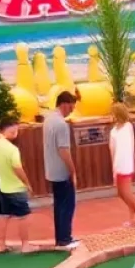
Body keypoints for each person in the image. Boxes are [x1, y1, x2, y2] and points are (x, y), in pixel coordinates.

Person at [0, 120, 35, 254]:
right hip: (16, 188)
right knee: (23, 216)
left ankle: (1, 245)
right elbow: (17, 168)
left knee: (3, 215)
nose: (15, 133)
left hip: (3, 186)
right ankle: (25, 245)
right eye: (13, 131)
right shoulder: (12, 149)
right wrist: (27, 183)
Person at [43, 91, 79, 249]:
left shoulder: (48, 119)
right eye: (71, 107)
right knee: (67, 206)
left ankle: (60, 239)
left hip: (51, 170)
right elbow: (64, 150)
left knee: (59, 206)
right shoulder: (61, 124)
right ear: (64, 104)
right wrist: (73, 171)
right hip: (62, 172)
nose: (71, 110)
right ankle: (65, 239)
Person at [109, 103, 135, 227]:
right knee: (120, 193)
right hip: (118, 164)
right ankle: (132, 214)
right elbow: (112, 150)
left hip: (126, 164)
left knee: (127, 193)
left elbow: (130, 145)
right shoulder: (113, 132)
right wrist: (113, 168)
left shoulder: (128, 126)